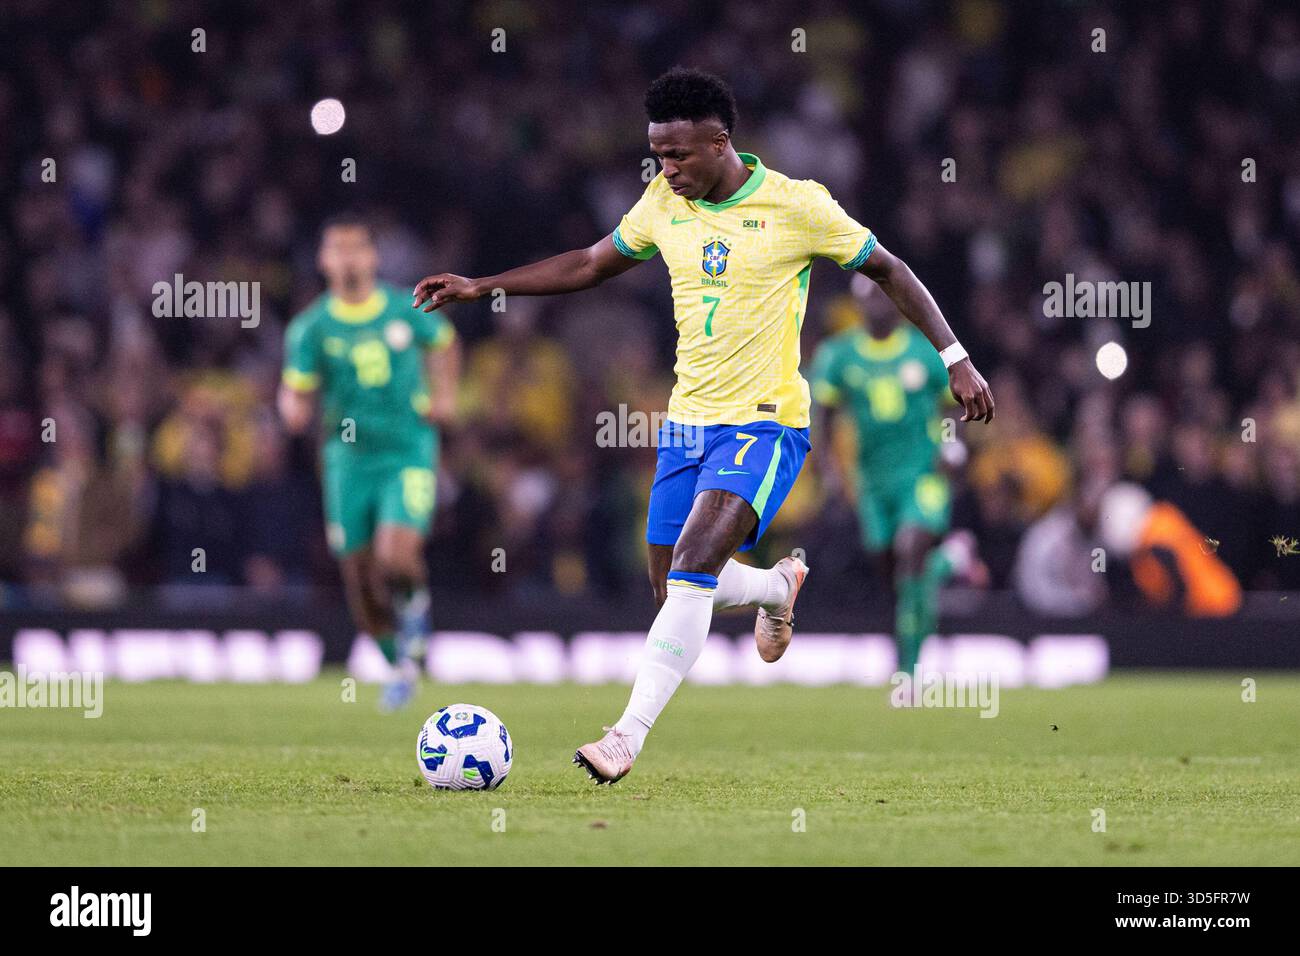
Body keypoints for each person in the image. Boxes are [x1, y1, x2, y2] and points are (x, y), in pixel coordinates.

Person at [413, 68, 993, 782]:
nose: (667, 168)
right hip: (687, 424)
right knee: (674, 592)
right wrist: (484, 285)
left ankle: (625, 737)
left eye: (679, 154)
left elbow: (891, 269)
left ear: (721, 143)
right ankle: (777, 590)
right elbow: (592, 262)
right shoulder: (662, 201)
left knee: (690, 571)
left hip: (765, 421)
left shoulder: (797, 205)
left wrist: (955, 359)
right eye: (658, 154)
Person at [280, 214, 460, 710]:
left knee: (395, 555)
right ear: (323, 261)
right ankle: (398, 666)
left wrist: (444, 395)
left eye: (357, 248)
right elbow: (294, 391)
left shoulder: (406, 308)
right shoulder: (311, 327)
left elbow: (444, 343)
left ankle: (417, 607)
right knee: (359, 578)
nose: (349, 258)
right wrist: (292, 408)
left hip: (407, 450)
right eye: (338, 249)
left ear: (373, 257)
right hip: (346, 461)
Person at [811, 274, 984, 677]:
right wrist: (829, 469)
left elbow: (950, 408)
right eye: (865, 298)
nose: (874, 305)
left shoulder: (924, 352)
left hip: (922, 476)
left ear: (894, 301)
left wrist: (951, 446)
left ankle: (907, 672)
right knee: (894, 567)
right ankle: (950, 561)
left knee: (910, 551)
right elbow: (823, 416)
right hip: (872, 481)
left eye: (880, 296)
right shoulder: (839, 355)